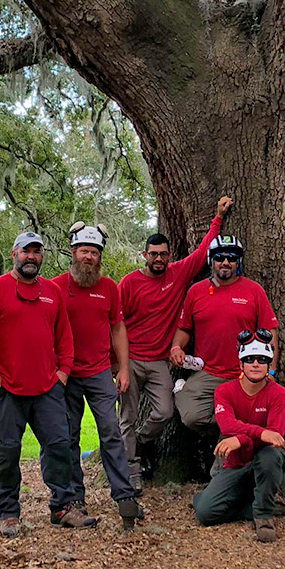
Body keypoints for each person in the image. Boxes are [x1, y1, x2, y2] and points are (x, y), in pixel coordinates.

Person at [0, 232, 92, 538]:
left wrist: (63, 371)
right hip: (8, 389)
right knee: (7, 451)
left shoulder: (51, 292)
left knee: (59, 447)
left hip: (48, 388)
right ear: (14, 253)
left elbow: (64, 335)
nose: (31, 257)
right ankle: (9, 512)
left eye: (37, 252)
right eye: (26, 251)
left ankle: (62, 507)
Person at [118, 196, 231, 490]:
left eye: (163, 254)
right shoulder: (129, 284)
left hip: (158, 362)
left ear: (169, 255)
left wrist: (217, 219)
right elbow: (114, 325)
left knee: (165, 412)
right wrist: (116, 364)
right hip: (130, 360)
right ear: (144, 255)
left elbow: (203, 250)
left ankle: (142, 442)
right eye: (153, 254)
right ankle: (130, 476)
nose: (158, 259)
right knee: (126, 417)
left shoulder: (178, 274)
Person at [52, 222, 143, 530]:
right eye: (83, 251)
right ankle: (74, 499)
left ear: (99, 256)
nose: (88, 257)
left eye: (93, 252)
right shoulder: (55, 288)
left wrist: (123, 367)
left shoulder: (109, 288)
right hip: (65, 377)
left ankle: (125, 496)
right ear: (73, 253)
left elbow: (118, 328)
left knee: (111, 433)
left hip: (100, 372)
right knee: (68, 438)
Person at [171, 234, 278, 446]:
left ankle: (226, 454)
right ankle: (230, 430)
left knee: (256, 417)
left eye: (231, 258)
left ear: (238, 262)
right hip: (207, 372)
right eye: (220, 257)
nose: (226, 262)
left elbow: (271, 332)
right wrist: (176, 346)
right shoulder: (196, 291)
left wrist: (271, 372)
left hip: (245, 374)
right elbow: (184, 328)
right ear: (211, 260)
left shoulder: (253, 290)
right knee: (192, 416)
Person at [192, 330, 285, 543]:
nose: (256, 364)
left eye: (262, 360)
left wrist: (241, 437)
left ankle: (263, 515)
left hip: (270, 464)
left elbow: (275, 436)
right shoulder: (224, 391)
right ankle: (252, 506)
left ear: (269, 365)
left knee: (269, 454)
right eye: (249, 360)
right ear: (241, 364)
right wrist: (257, 434)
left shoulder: (280, 394)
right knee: (204, 513)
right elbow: (227, 425)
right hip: (236, 463)